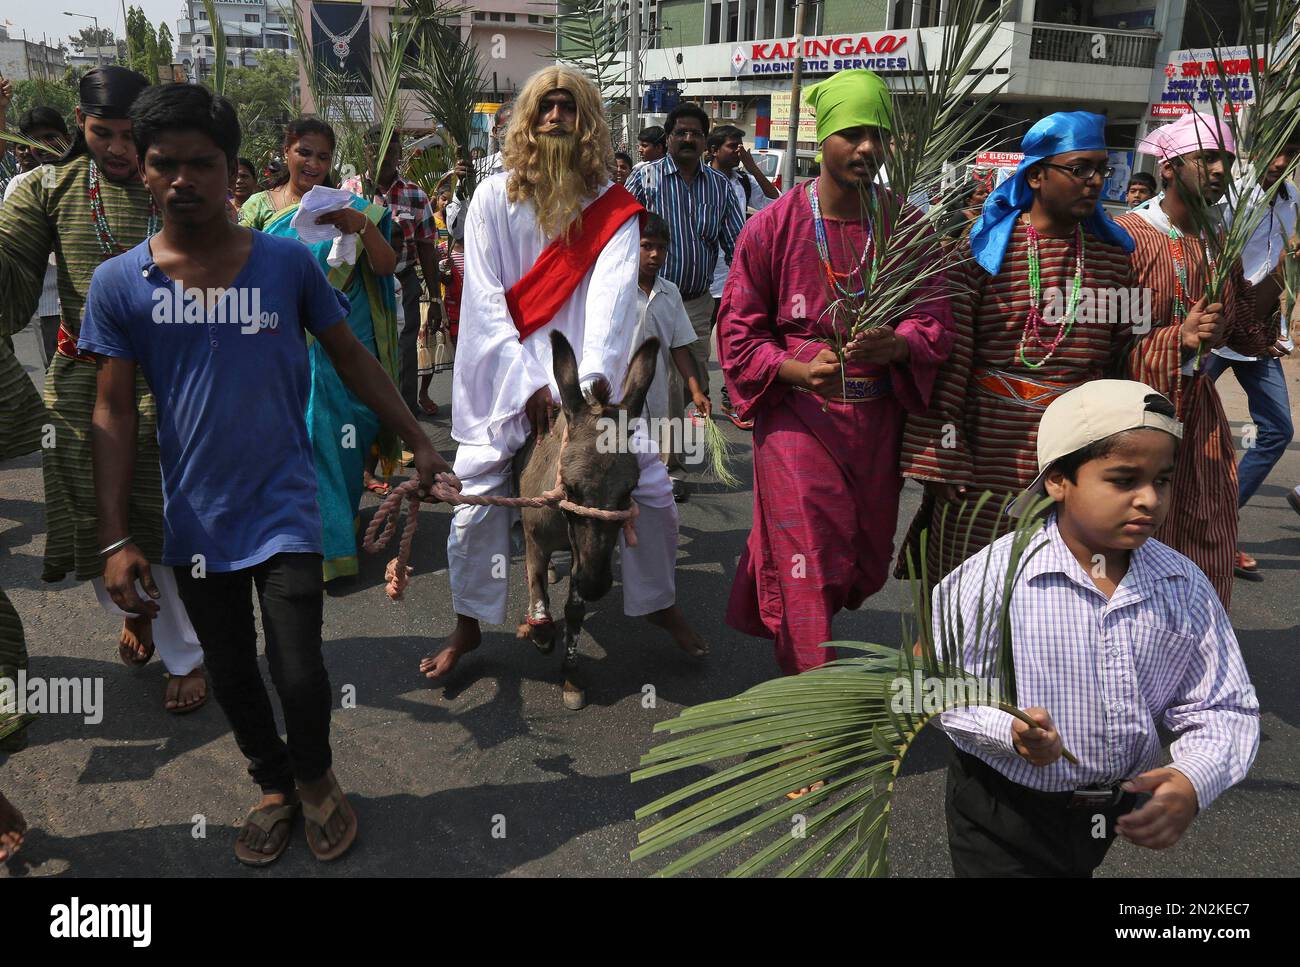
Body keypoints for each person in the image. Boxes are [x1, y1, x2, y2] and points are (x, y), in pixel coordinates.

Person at [79, 82, 448, 865]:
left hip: (287, 504)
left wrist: (417, 436)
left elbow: (353, 356)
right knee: (236, 673)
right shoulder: (119, 285)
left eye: (201, 164)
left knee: (300, 669)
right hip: (197, 521)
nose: (183, 180)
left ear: (231, 171)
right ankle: (274, 783)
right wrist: (114, 536)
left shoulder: (285, 265)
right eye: (163, 164)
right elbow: (111, 412)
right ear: (142, 172)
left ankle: (315, 777)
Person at [421, 66, 707, 681]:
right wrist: (531, 386)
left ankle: (659, 603)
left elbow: (609, 303)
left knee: (654, 494)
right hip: (509, 381)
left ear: (587, 124)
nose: (555, 116)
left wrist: (584, 388)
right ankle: (468, 624)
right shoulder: (491, 200)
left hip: (584, 384)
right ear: (527, 119)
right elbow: (485, 306)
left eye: (568, 108)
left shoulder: (613, 210)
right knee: (473, 503)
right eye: (545, 106)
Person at [936, 380, 1258, 877]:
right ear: (1059, 480)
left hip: (1103, 812)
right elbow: (940, 686)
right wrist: (1009, 729)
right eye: (1124, 480)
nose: (1148, 499)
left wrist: (1193, 777)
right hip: (1003, 808)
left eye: (1162, 480)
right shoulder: (993, 580)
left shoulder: (1183, 585)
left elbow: (1222, 704)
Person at [718, 68, 953, 678]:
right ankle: (808, 722)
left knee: (864, 559)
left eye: (878, 134)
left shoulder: (907, 227)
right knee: (809, 560)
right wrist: (794, 369)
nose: (868, 148)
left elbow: (935, 318)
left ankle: (807, 639)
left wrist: (899, 346)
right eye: (853, 134)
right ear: (823, 139)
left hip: (876, 423)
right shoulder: (772, 226)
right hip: (798, 420)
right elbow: (739, 332)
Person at [0, 66, 208, 714]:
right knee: (97, 520)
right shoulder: (44, 189)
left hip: (174, 382)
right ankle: (136, 610)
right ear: (80, 125)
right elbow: (9, 296)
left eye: (130, 134)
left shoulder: (179, 183)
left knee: (171, 520)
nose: (118, 148)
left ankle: (187, 652)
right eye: (101, 133)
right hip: (84, 384)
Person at [899, 112, 1138, 585]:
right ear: (1036, 175)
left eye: (1101, 170)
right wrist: (944, 456)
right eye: (1079, 168)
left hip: (1076, 447)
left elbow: (1125, 360)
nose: (1094, 182)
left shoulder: (1114, 259)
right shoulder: (982, 254)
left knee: (1060, 580)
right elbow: (951, 361)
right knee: (970, 577)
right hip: (990, 444)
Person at [1115, 112, 1274, 609]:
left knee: (1205, 527)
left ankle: (1191, 645)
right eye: (1207, 158)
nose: (1220, 170)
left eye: (1225, 159)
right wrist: (1175, 340)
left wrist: (1267, 308)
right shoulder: (1127, 237)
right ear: (1167, 167)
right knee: (1132, 533)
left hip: (1197, 406)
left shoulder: (1217, 240)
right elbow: (1103, 340)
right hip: (1133, 412)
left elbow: (1244, 324)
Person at [241, 118, 402, 582]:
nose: (313, 163)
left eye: (323, 157)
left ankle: (334, 544)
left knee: (337, 444)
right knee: (292, 445)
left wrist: (358, 227)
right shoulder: (257, 209)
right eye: (304, 152)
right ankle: (296, 537)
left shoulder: (353, 207)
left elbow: (387, 265)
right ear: (285, 151)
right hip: (279, 344)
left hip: (344, 349)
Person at [1202, 131, 1298, 579]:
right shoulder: (1229, 195)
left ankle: (1219, 521)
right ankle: (1176, 525)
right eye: (1276, 150)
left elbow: (1276, 261)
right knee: (1170, 419)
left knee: (1277, 429)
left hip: (1256, 335)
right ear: (1256, 151)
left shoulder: (1292, 198)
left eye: (1292, 153)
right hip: (1212, 326)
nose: (1281, 161)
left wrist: (1276, 317)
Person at [626, 103, 745, 421]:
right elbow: (619, 237)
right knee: (644, 378)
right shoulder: (645, 180)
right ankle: (652, 456)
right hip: (646, 300)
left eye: (696, 133)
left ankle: (667, 458)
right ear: (668, 137)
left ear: (706, 141)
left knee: (689, 381)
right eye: (681, 132)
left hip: (695, 305)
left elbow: (738, 247)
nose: (689, 139)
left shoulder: (720, 188)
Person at [341, 125, 444, 419]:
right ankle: (365, 420)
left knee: (404, 352)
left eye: (391, 151)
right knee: (362, 348)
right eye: (377, 150)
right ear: (366, 153)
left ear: (400, 155)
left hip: (404, 280)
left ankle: (404, 425)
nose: (384, 157)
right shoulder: (350, 191)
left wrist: (434, 300)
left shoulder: (415, 194)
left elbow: (426, 248)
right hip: (361, 281)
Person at [706, 124, 780, 430]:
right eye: (731, 146)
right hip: (702, 279)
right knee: (696, 344)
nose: (738, 152)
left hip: (734, 277)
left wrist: (752, 168)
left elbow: (775, 201)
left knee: (734, 341)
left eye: (740, 146)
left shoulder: (744, 182)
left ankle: (730, 396)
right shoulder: (700, 179)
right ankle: (694, 397)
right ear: (712, 151)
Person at [635, 213, 710, 495]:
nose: (655, 254)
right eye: (647, 245)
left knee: (653, 453)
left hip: (657, 392)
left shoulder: (670, 293)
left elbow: (679, 345)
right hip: (620, 392)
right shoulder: (616, 290)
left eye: (662, 248)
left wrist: (696, 390)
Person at [2, 106, 70, 368]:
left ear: (67, 134)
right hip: (50, 304)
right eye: (33, 141)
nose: (42, 146)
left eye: (50, 136)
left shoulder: (88, 175)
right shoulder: (22, 184)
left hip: (95, 300)